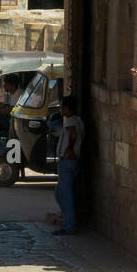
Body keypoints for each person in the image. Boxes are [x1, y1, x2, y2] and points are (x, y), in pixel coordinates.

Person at [53, 97, 83, 236]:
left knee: (65, 194)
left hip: (67, 161)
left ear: (67, 109)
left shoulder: (70, 121)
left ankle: (69, 225)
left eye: (62, 107)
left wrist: (69, 149)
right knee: (61, 193)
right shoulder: (78, 120)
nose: (61, 110)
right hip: (70, 161)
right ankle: (68, 220)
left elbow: (72, 134)